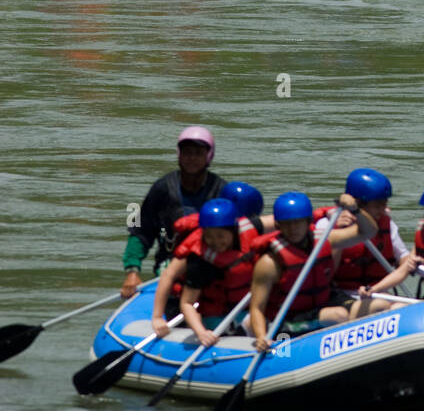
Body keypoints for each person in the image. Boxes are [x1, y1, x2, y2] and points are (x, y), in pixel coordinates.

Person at [247, 192, 398, 348]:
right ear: (279, 225)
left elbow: (368, 232)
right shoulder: (269, 263)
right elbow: (257, 307)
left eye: (297, 222)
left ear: (307, 222)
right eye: (287, 223)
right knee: (338, 316)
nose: (293, 229)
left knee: (379, 306)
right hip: (289, 318)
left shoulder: (325, 239)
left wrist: (355, 209)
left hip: (323, 302)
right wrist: (261, 337)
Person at [120, 125, 226, 298]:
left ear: (209, 156)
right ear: (179, 155)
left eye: (198, 153)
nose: (192, 158)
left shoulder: (221, 191)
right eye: (187, 152)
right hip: (170, 266)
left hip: (212, 265)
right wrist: (132, 271)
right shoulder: (161, 188)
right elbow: (139, 231)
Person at [150, 182, 269, 335]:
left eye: (221, 236)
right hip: (209, 309)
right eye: (210, 236)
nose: (216, 242)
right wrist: (157, 317)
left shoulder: (248, 228)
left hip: (241, 305)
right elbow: (169, 275)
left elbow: (282, 222)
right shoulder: (198, 254)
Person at [313, 168, 415, 297]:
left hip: (377, 293)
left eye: (384, 204)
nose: (383, 209)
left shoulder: (387, 225)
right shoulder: (327, 225)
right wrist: (339, 230)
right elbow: (325, 274)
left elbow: (403, 258)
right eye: (377, 205)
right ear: (358, 204)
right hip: (338, 295)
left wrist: (412, 261)